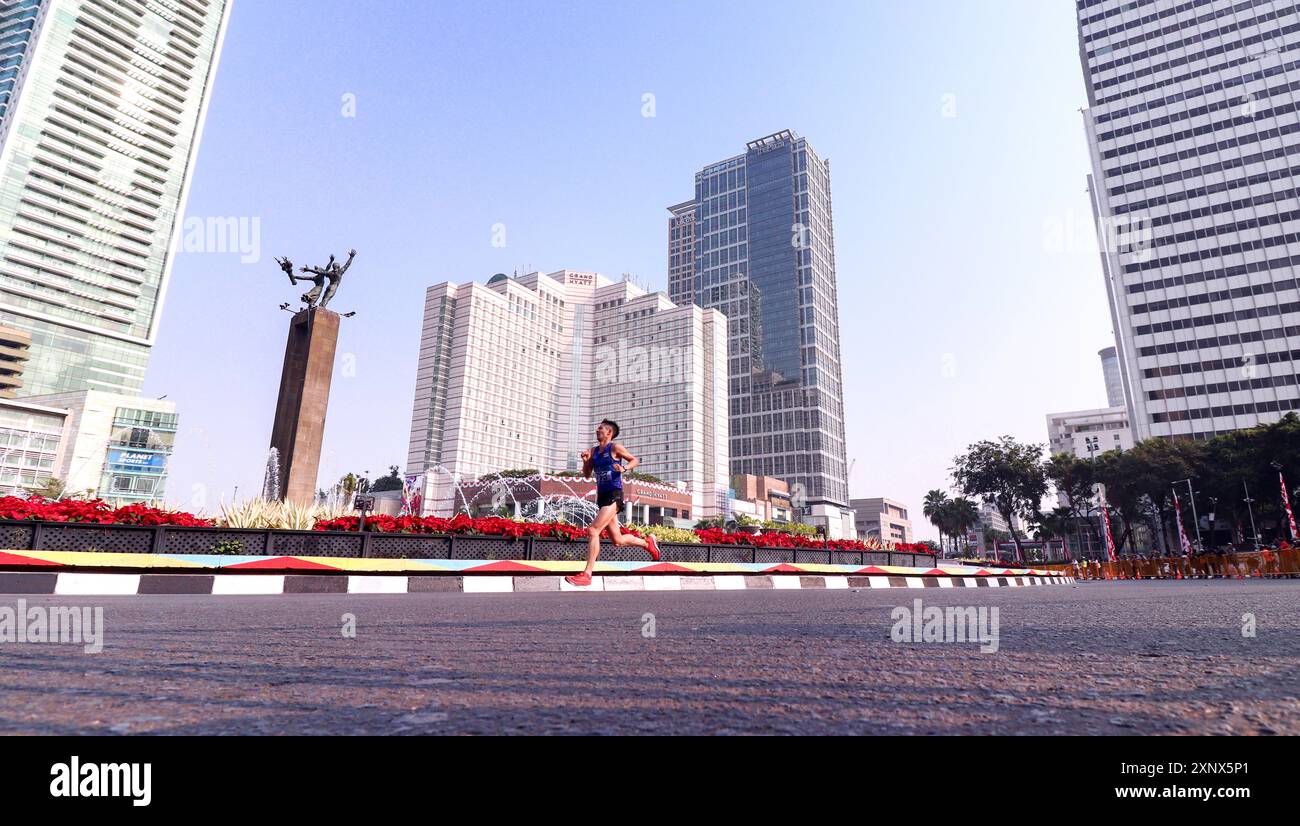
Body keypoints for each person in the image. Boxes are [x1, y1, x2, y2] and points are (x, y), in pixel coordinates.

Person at [565, 419, 659, 587]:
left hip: (614, 495)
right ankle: (647, 543)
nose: (597, 430)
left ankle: (587, 575)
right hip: (602, 497)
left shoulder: (614, 448)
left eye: (600, 428)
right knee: (618, 540)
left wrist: (624, 469)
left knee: (593, 530)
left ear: (609, 433)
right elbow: (587, 475)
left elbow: (634, 459)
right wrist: (586, 461)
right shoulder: (593, 451)